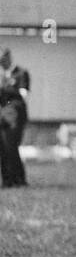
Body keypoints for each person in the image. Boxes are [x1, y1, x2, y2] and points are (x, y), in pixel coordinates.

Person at [0, 47, 31, 188]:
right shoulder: (1, 76)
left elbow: (23, 94)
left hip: (15, 115)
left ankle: (19, 180)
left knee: (11, 146)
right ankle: (7, 181)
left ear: (8, 57)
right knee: (3, 148)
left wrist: (4, 89)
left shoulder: (21, 73)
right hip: (2, 115)